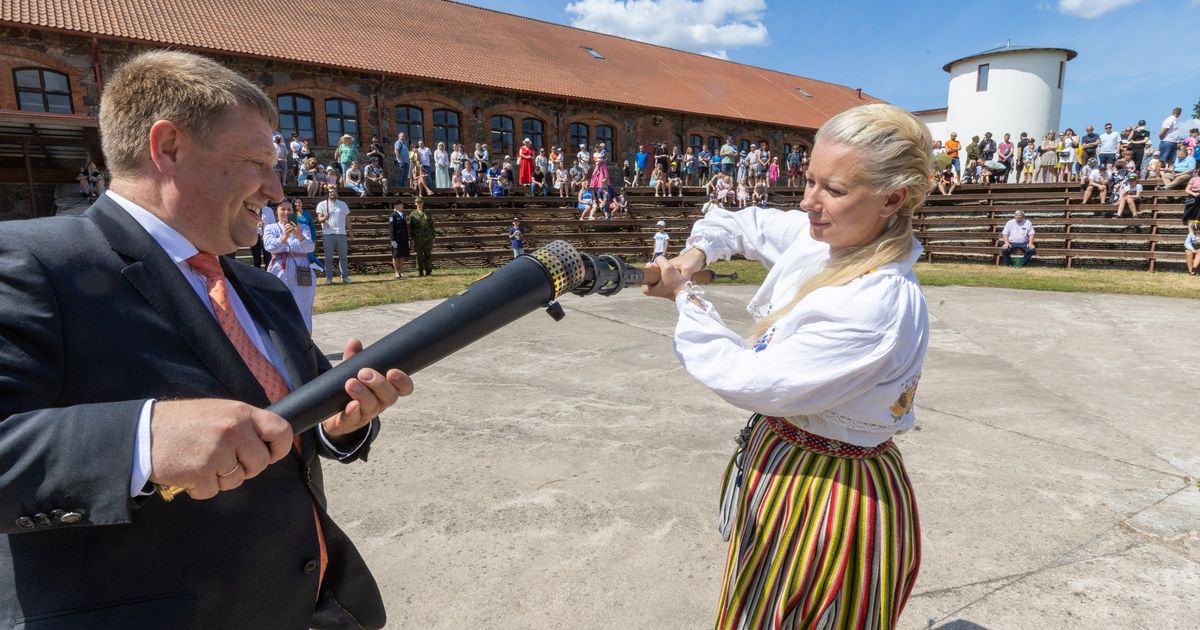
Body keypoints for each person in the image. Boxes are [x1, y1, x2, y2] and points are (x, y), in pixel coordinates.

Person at [0, 49, 411, 629]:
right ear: (168, 147)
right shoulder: (30, 261)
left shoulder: (259, 289)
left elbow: (299, 411)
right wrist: (143, 438)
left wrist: (339, 423)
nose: (276, 187)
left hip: (309, 606)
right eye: (255, 161)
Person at [640, 103, 927, 630]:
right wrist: (691, 259)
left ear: (892, 198)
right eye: (810, 180)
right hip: (789, 463)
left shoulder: (873, 304)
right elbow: (739, 222)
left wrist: (686, 299)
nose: (809, 202)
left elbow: (750, 379)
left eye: (834, 190)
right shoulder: (826, 240)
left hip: (828, 495)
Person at [263, 200, 316, 330]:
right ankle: (284, 343)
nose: (286, 212)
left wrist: (298, 234)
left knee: (303, 309)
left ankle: (305, 343)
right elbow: (269, 246)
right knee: (279, 307)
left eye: (289, 210)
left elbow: (310, 247)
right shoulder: (271, 228)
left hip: (302, 270)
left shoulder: (303, 228)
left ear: (294, 212)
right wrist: (284, 237)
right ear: (277, 211)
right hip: (279, 270)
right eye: (283, 209)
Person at [316, 186, 351, 284]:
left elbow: (347, 219)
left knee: (343, 257)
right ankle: (329, 278)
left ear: (337, 193)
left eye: (334, 191)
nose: (332, 193)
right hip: (328, 234)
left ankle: (344, 277)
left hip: (341, 233)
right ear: (328, 193)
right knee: (328, 258)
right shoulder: (322, 204)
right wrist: (325, 217)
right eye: (330, 192)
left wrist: (350, 232)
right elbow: (319, 220)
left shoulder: (343, 204)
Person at [408, 197, 435, 277]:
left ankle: (428, 271)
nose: (419, 204)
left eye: (420, 202)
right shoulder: (413, 214)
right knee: (419, 255)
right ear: (415, 204)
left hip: (428, 237)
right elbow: (411, 227)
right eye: (417, 202)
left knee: (428, 255)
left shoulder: (427, 213)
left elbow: (431, 225)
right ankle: (420, 271)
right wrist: (411, 238)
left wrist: (433, 236)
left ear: (422, 203)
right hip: (418, 238)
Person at [388, 199, 409, 279]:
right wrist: (392, 240)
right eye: (401, 204)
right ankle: (396, 272)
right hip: (396, 239)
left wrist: (407, 239)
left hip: (403, 238)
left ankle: (402, 272)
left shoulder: (403, 215)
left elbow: (405, 228)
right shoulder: (393, 215)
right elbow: (391, 229)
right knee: (396, 256)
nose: (402, 205)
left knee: (402, 256)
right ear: (396, 206)